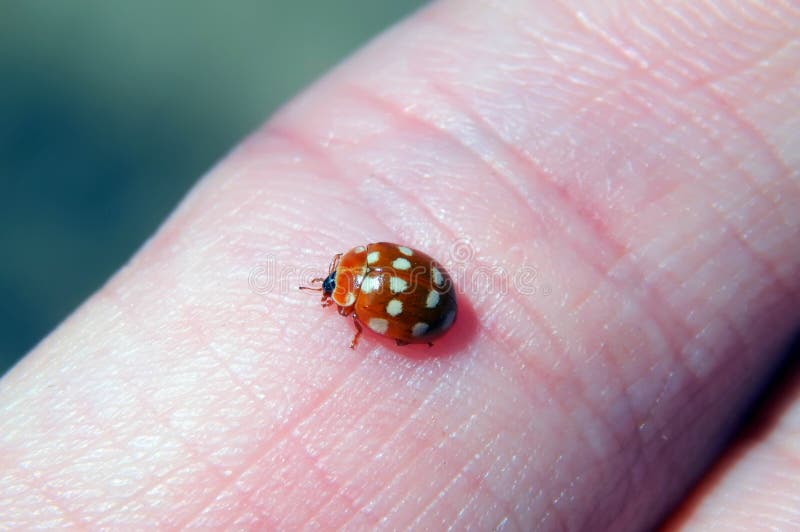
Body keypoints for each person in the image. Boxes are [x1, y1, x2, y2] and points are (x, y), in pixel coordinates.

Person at [1, 1, 798, 529]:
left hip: (432, 308)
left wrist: (378, 316)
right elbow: (395, 284)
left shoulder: (357, 290)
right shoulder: (359, 269)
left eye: (333, 289)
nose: (333, 291)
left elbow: (393, 300)